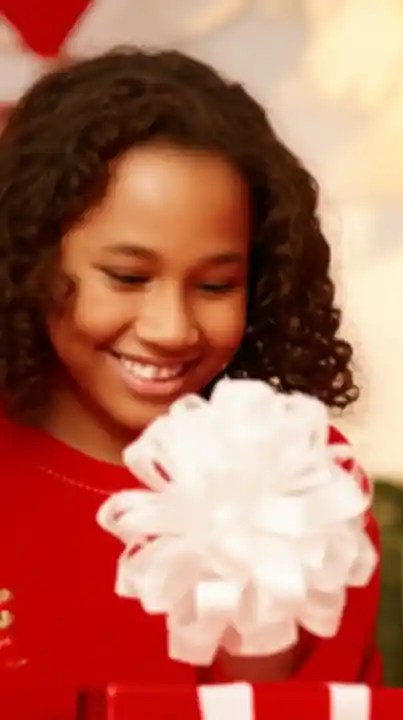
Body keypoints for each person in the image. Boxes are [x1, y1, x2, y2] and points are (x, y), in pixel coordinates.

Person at [0, 50, 382, 717]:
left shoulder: (302, 488)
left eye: (214, 286)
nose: (172, 328)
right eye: (127, 277)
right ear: (29, 259)